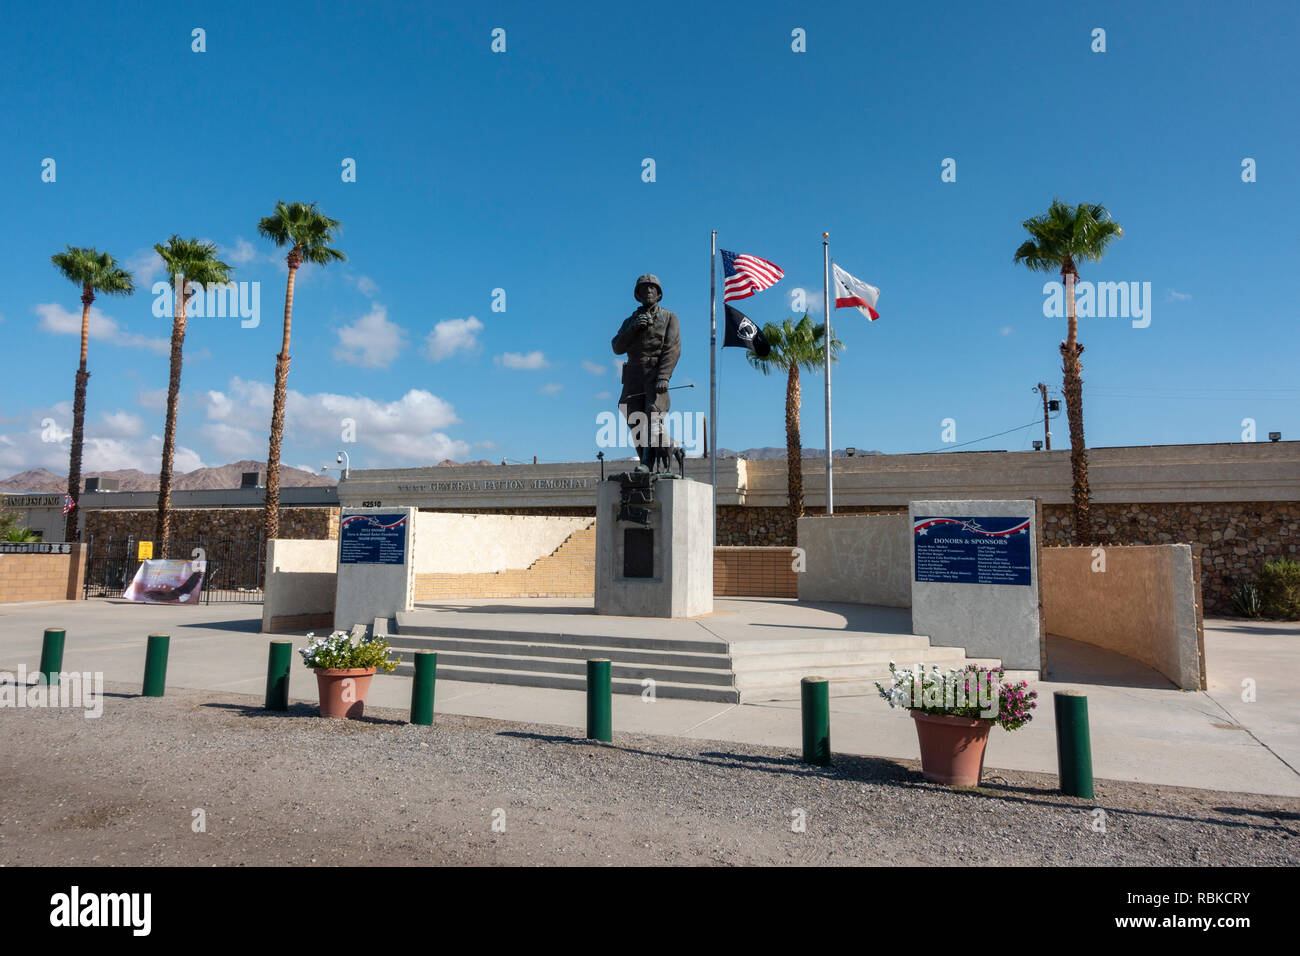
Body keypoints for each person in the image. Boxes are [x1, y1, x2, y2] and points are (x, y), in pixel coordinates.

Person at [611, 274, 681, 470]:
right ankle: (645, 462)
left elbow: (672, 348)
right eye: (643, 289)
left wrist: (663, 376)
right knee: (633, 417)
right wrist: (633, 328)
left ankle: (647, 464)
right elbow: (617, 347)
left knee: (652, 418)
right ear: (637, 295)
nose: (648, 291)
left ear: (659, 294)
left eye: (652, 288)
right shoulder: (630, 321)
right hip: (633, 375)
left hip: (654, 374)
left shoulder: (669, 317)